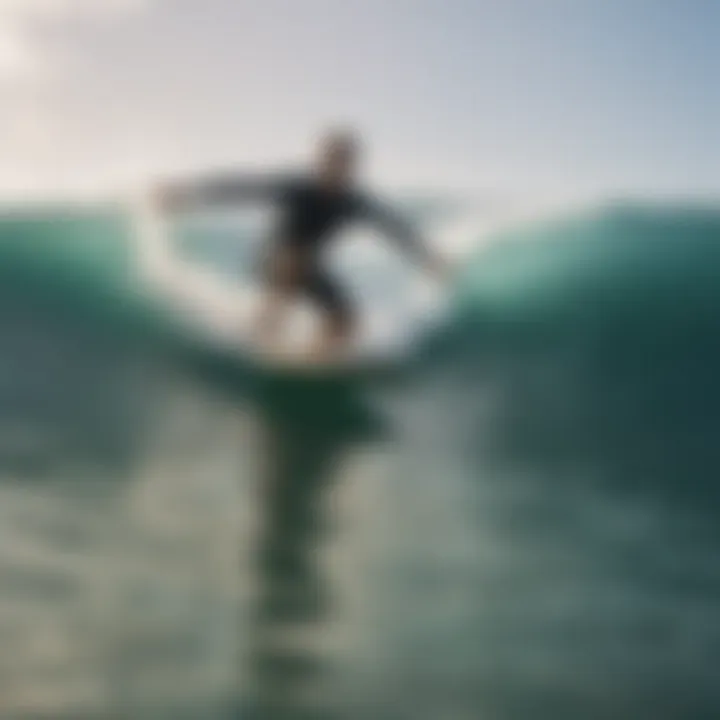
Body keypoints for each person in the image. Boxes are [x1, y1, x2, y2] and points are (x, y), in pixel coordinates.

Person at [153, 128, 447, 363]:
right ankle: (262, 330)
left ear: (352, 167)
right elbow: (241, 187)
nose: (338, 167)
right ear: (321, 160)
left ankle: (313, 359)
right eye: (332, 159)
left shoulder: (353, 201)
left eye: (345, 162)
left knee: (347, 322)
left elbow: (392, 226)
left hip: (309, 270)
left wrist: (426, 257)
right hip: (273, 261)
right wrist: (187, 194)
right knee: (294, 260)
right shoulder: (298, 187)